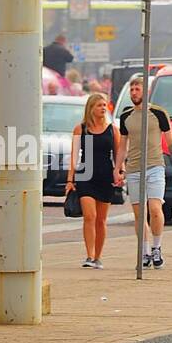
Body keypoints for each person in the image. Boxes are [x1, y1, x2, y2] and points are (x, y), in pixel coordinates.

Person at [115, 73, 172, 269]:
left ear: (146, 92)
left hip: (155, 166)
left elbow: (170, 143)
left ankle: (156, 247)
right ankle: (144, 251)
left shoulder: (159, 114)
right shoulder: (126, 116)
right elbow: (122, 145)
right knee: (139, 214)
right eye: (132, 89)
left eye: (138, 89)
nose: (134, 92)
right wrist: (118, 167)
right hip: (134, 168)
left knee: (155, 209)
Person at [66, 92, 121, 268]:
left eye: (104, 105)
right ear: (91, 108)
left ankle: (98, 257)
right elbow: (74, 156)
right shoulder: (80, 129)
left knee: (101, 220)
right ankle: (89, 256)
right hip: (85, 174)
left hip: (105, 175)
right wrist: (70, 180)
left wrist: (120, 172)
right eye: (99, 105)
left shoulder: (112, 130)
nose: (103, 108)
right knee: (90, 216)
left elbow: (119, 155)